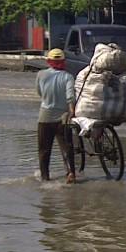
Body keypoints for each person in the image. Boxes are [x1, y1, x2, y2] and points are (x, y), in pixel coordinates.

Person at [36, 48, 76, 183]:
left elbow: (40, 92)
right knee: (66, 147)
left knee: (44, 150)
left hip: (45, 116)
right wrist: (72, 111)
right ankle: (71, 173)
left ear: (49, 61)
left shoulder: (41, 75)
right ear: (63, 61)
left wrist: (48, 100)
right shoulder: (68, 76)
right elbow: (70, 96)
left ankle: (45, 177)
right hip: (63, 117)